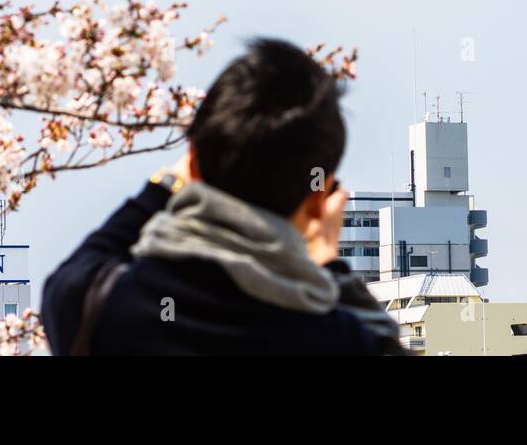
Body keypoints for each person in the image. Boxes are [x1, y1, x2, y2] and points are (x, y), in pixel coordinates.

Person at [42, 38, 405, 355]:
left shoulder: (98, 306)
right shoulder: (337, 340)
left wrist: (166, 184)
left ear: (193, 163)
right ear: (317, 198)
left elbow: (80, 268)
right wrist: (328, 263)